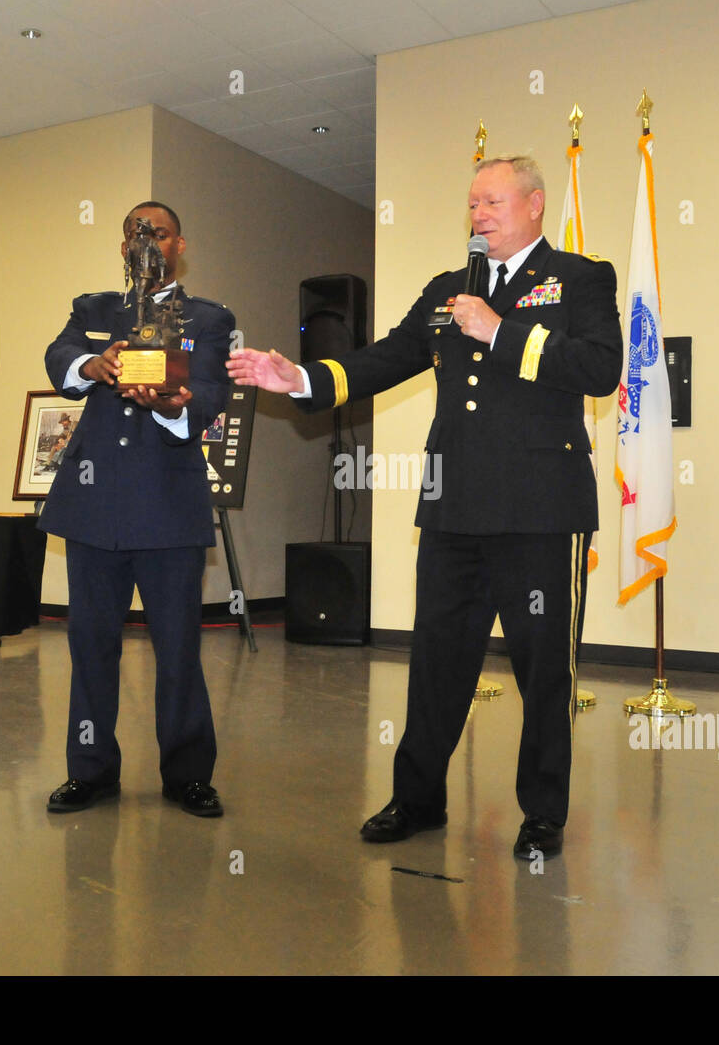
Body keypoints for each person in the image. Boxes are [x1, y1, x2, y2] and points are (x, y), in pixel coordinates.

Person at [228, 157, 622, 859]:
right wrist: (302, 379)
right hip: (452, 509)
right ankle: (417, 798)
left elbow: (598, 369)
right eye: (472, 204)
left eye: (493, 202)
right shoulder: (447, 290)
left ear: (535, 204)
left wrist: (502, 330)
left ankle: (543, 813)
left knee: (542, 668)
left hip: (541, 511)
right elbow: (385, 358)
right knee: (438, 661)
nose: (480, 215)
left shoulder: (579, 278)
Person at [41, 201, 232, 817]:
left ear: (180, 245)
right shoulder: (95, 309)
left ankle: (186, 775)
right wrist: (88, 364)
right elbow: (59, 355)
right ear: (122, 247)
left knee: (178, 649)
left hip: (168, 512)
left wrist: (173, 405)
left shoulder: (210, 318)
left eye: (158, 232)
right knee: (91, 647)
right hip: (94, 511)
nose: (144, 240)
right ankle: (91, 771)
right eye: (133, 233)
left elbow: (208, 392)